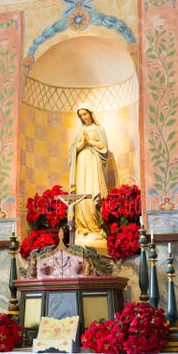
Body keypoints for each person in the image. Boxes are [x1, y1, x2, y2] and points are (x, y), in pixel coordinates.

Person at [68, 106, 108, 249]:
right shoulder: (79, 132)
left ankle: (95, 229)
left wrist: (91, 142)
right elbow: (72, 151)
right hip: (81, 165)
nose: (83, 117)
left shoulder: (99, 129)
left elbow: (104, 147)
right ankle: (83, 228)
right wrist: (81, 144)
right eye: (81, 115)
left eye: (85, 114)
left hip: (93, 162)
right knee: (81, 197)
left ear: (90, 113)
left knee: (92, 195)